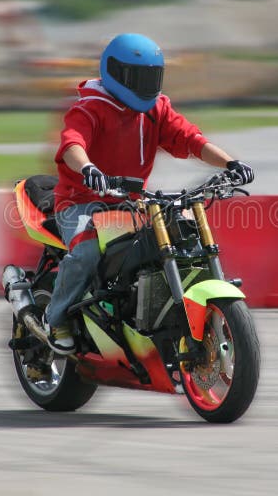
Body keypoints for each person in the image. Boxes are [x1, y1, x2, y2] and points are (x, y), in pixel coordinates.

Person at [45, 33, 254, 354]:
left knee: (184, 233)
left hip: (131, 201)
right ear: (114, 71)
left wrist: (230, 162)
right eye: (136, 76)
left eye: (150, 77)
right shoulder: (90, 107)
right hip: (82, 201)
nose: (144, 84)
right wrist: (88, 169)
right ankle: (56, 318)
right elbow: (73, 143)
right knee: (87, 251)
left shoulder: (157, 108)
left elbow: (190, 139)